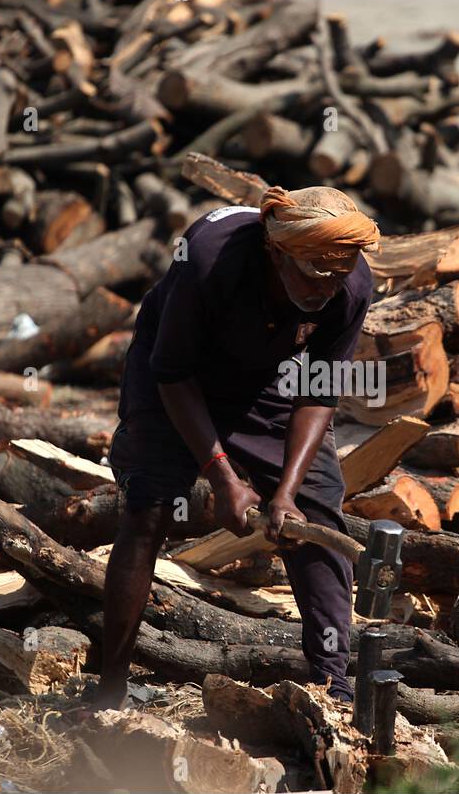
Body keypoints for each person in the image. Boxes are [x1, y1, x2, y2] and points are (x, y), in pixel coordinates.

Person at [94, 185, 381, 710]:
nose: (325, 288)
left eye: (337, 275)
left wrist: (287, 494)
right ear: (275, 251)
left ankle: (333, 693)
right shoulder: (209, 257)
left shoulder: (350, 283)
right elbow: (173, 372)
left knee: (317, 512)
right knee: (149, 510)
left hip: (266, 382)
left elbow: (317, 392)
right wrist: (224, 477)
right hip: (175, 378)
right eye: (313, 273)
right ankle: (109, 690)